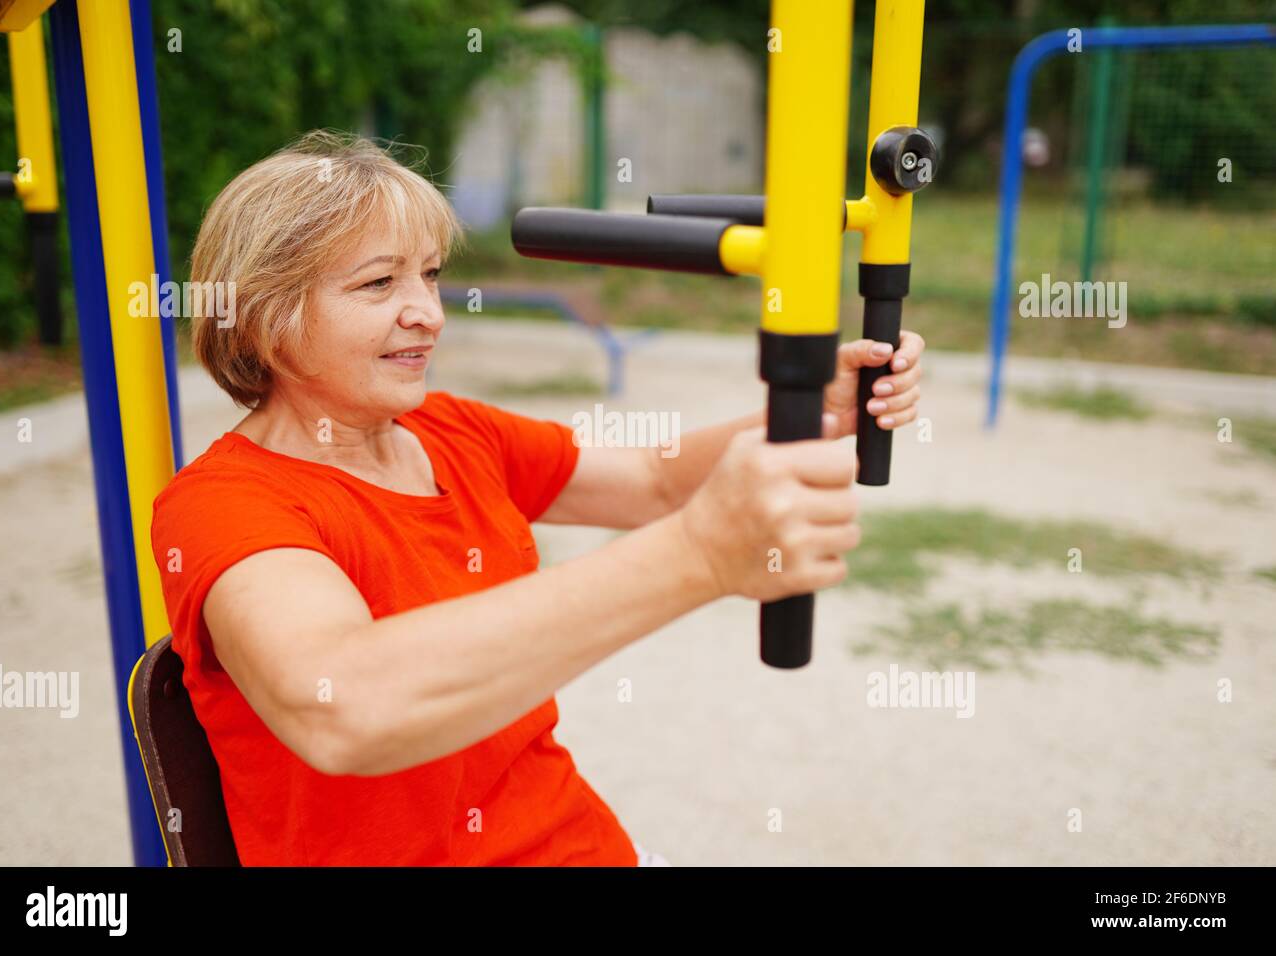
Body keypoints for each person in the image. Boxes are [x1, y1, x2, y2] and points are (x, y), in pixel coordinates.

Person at [150, 130, 925, 866]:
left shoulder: (450, 431)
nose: (426, 309)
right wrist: (699, 557)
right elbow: (342, 706)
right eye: (380, 282)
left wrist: (820, 407)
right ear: (264, 320)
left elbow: (653, 480)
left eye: (430, 274)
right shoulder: (224, 503)